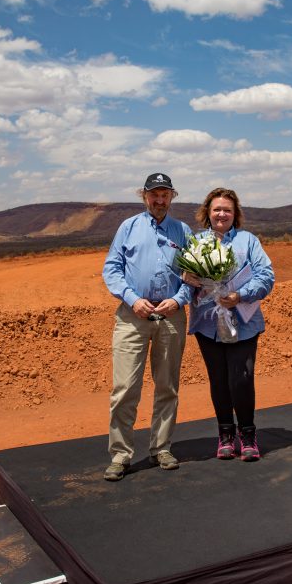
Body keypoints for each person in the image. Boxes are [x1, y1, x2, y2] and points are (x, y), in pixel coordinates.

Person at [101, 172, 193, 482]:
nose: (159, 199)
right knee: (125, 388)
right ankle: (120, 454)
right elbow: (112, 269)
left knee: (167, 385)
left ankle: (161, 448)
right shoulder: (128, 228)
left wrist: (178, 300)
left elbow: (194, 277)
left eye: (165, 193)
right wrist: (131, 298)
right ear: (144, 196)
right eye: (154, 194)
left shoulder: (183, 232)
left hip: (171, 316)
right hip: (132, 316)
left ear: (172, 196)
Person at [185, 188, 274, 462]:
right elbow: (184, 280)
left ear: (235, 215)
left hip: (243, 321)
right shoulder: (197, 242)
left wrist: (240, 295)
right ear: (207, 213)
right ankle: (225, 435)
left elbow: (266, 275)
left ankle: (248, 435)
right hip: (207, 323)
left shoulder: (248, 241)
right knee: (219, 380)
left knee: (242, 379)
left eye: (227, 210)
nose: (221, 214)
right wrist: (190, 279)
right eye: (216, 209)